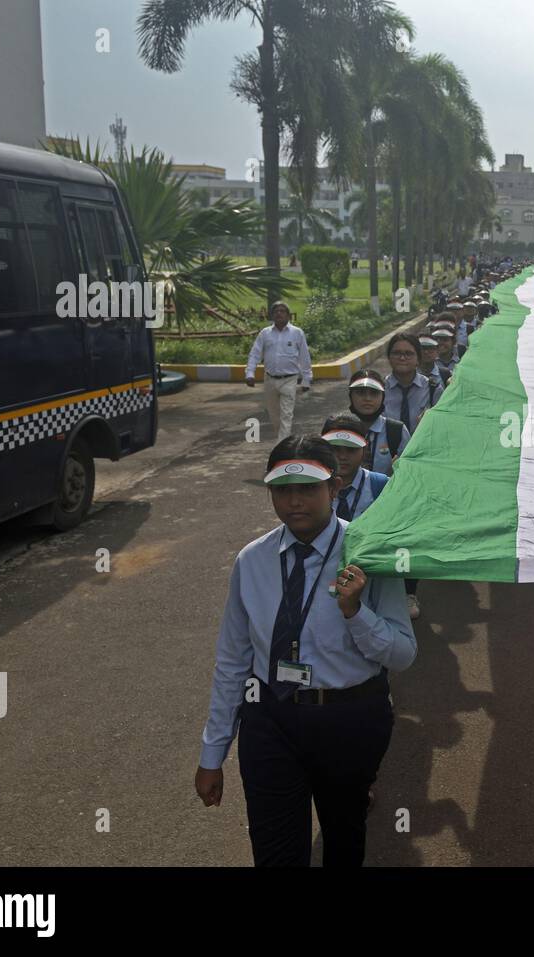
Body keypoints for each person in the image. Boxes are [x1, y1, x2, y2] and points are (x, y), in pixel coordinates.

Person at [194, 435, 416, 867]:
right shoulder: (252, 560)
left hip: (349, 719)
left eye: (308, 489)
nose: (294, 502)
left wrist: (355, 612)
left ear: (334, 489)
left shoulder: (368, 554)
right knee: (275, 851)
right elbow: (232, 661)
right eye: (282, 490)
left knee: (343, 838)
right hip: (270, 719)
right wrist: (212, 755)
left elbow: (403, 654)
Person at [245, 301, 313, 440]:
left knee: (286, 415)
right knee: (274, 415)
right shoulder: (265, 333)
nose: (279, 313)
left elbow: (304, 357)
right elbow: (255, 354)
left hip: (289, 380)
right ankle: (282, 439)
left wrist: (306, 379)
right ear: (272, 315)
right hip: (270, 380)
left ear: (289, 315)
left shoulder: (297, 333)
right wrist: (250, 373)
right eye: (276, 311)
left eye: (282, 311)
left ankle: (282, 446)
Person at [321, 413, 390, 519]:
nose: (343, 456)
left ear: (365, 449)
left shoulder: (382, 486)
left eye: (351, 449)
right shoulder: (313, 487)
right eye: (335, 449)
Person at [346, 368, 408, 477]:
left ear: (383, 397)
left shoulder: (397, 430)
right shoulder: (340, 430)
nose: (367, 398)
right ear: (351, 396)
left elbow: (409, 471)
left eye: (374, 393)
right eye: (360, 393)